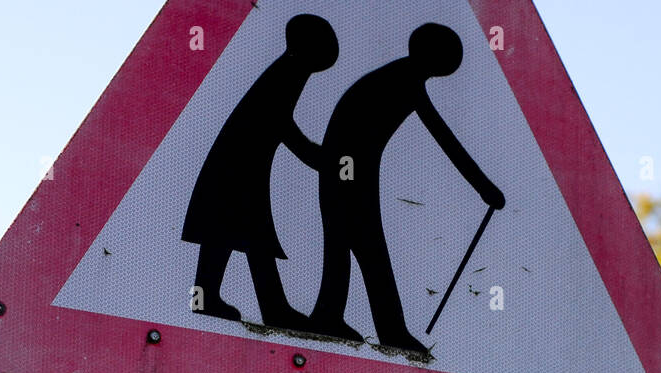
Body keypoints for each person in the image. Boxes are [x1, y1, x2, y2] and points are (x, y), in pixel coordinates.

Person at [309, 22, 504, 353]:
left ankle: (334, 316)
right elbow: (446, 140)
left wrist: (485, 188)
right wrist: (484, 188)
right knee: (367, 252)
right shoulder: (405, 80)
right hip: (348, 174)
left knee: (350, 247)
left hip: (348, 173)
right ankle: (383, 329)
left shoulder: (400, 76)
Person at [181, 14, 339, 328]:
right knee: (241, 234)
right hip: (239, 165)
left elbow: (277, 122)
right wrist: (320, 160)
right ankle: (261, 305)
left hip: (242, 162)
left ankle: (258, 304)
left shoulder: (290, 69)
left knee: (237, 234)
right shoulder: (290, 72)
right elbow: (280, 122)